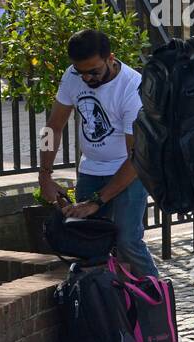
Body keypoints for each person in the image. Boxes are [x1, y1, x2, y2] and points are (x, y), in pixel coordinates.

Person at [40, 30, 159, 279]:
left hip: (128, 171)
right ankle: (106, 308)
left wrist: (95, 202)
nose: (86, 78)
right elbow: (53, 127)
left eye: (93, 71)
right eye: (80, 71)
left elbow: (136, 157)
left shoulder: (131, 88)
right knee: (89, 243)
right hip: (91, 169)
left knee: (127, 240)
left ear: (110, 59)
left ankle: (157, 302)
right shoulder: (73, 76)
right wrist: (45, 175)